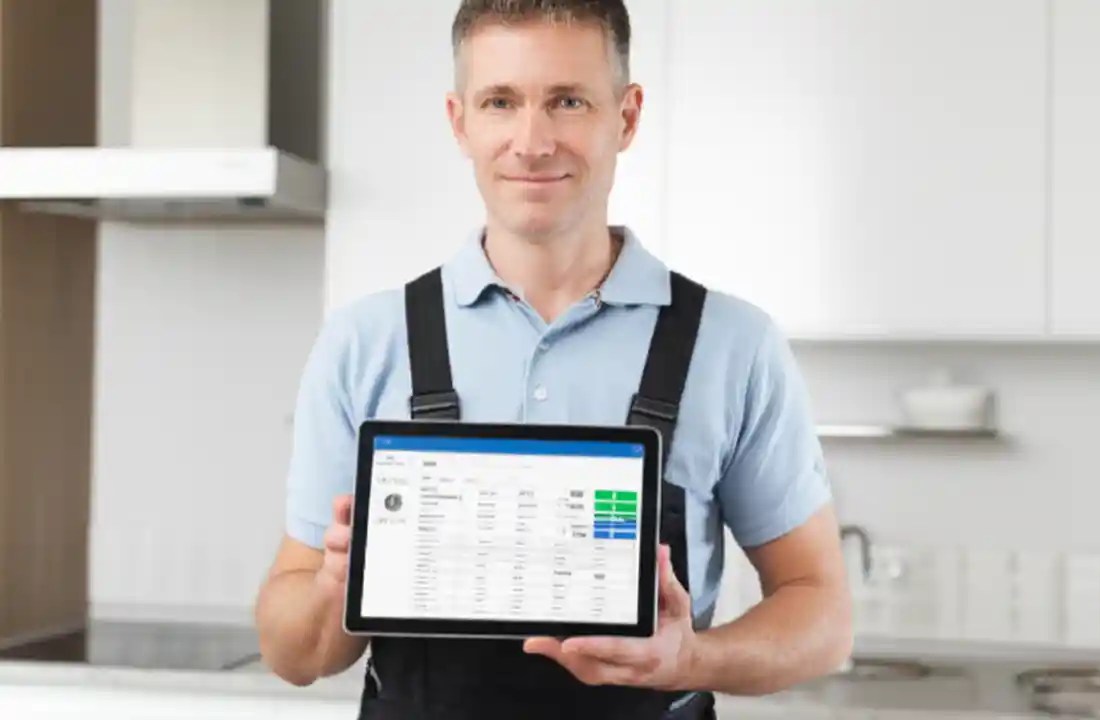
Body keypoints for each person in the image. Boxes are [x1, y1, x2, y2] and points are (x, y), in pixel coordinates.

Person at [253, 1, 853, 718]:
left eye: (567, 101)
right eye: (500, 102)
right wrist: (332, 586)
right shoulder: (364, 343)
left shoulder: (734, 346)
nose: (532, 142)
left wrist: (692, 657)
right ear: (459, 121)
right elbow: (293, 656)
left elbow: (821, 618)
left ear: (626, 118)